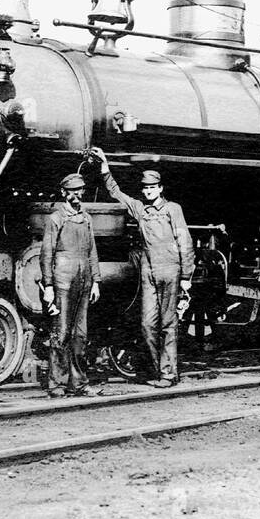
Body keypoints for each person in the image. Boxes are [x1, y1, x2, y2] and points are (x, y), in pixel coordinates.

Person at [89, 149, 194, 388]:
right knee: (147, 323)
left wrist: (186, 276)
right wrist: (105, 166)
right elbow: (116, 193)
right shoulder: (140, 209)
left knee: (169, 324)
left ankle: (168, 374)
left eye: (152, 188)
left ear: (160, 188)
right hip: (148, 272)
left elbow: (185, 242)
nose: (147, 191)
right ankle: (156, 370)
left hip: (170, 270)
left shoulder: (172, 210)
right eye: (145, 188)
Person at [40, 173, 101, 398]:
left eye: (80, 191)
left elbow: (92, 251)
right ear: (64, 193)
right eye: (72, 191)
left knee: (80, 335)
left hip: (84, 279)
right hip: (62, 280)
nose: (76, 195)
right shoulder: (56, 218)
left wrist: (96, 281)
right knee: (61, 332)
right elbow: (46, 254)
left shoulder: (86, 218)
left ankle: (79, 383)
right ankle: (56, 384)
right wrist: (48, 285)